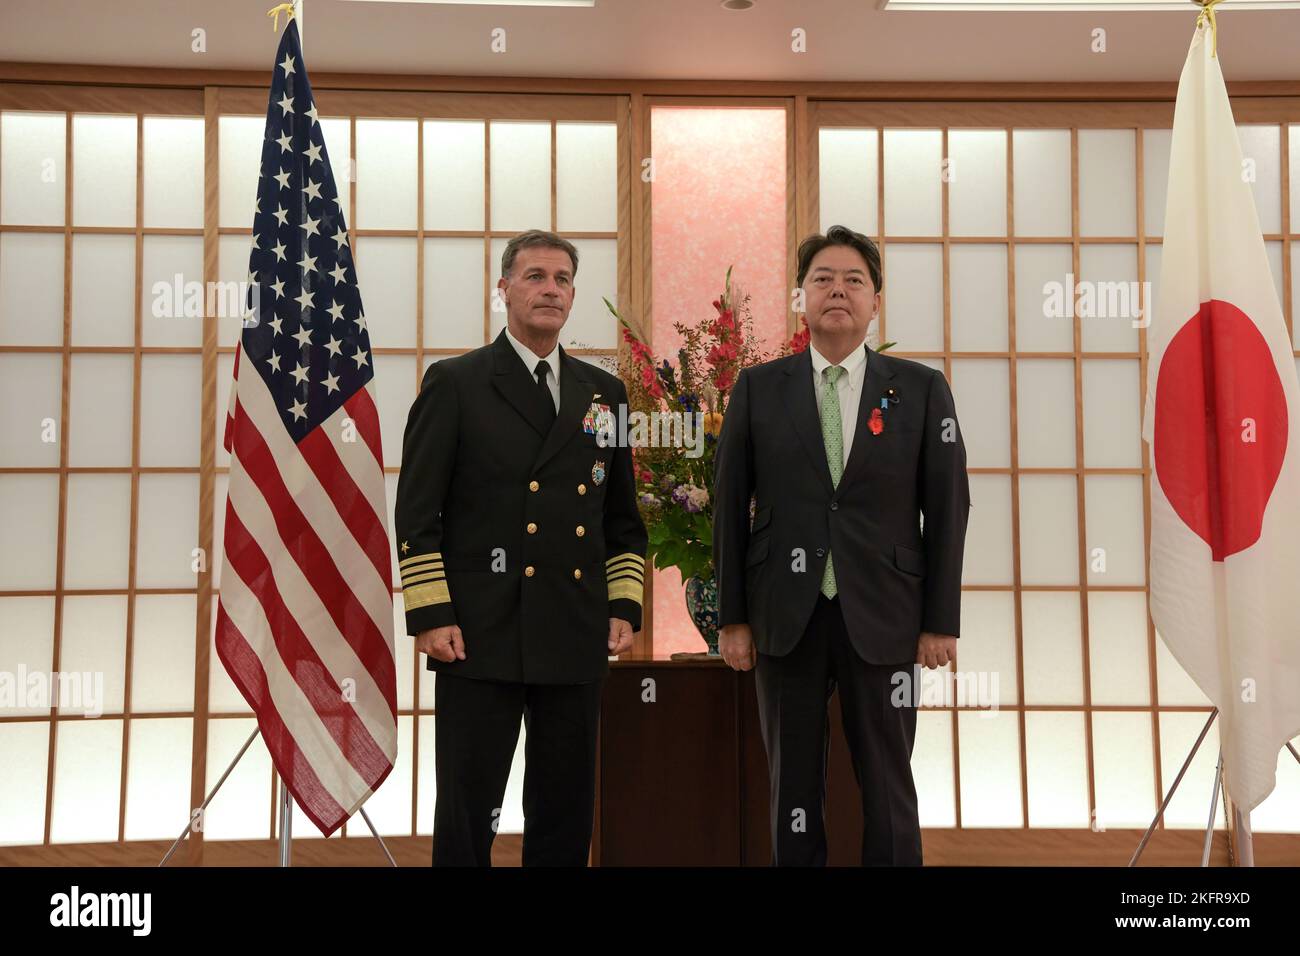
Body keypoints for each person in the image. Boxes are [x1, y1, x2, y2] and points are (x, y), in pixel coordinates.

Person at [713, 224, 971, 866]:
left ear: (875, 301)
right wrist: (732, 617)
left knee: (888, 783)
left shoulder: (920, 389)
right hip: (784, 617)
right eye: (822, 278)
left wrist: (940, 622)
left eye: (854, 280)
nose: (838, 290)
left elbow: (948, 508)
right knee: (792, 789)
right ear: (800, 296)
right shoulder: (757, 388)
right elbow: (728, 509)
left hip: (885, 615)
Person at [395, 229, 647, 866]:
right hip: (477, 633)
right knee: (468, 807)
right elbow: (417, 513)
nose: (550, 290)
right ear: (503, 289)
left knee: (564, 811)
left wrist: (623, 607)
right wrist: (431, 614)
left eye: (563, 280)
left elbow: (621, 515)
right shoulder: (456, 383)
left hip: (573, 626)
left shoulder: (604, 394)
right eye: (535, 276)